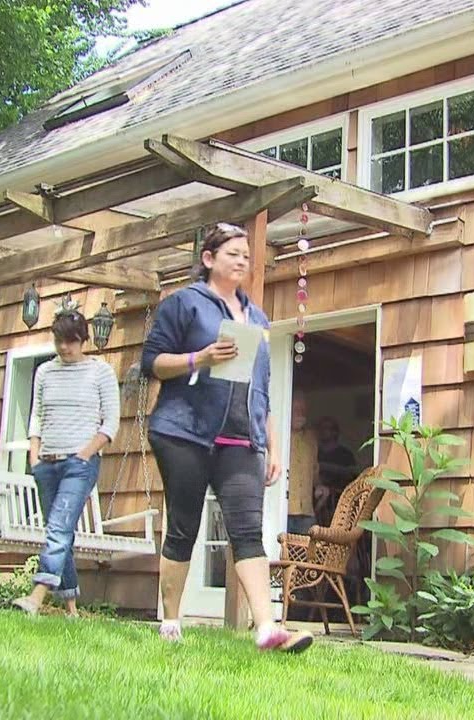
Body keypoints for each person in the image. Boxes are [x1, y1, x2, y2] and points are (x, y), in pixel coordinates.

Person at [140, 222, 313, 653]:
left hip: (240, 437)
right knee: (184, 527)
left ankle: (267, 628)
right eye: (232, 253)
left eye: (246, 255)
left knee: (247, 531)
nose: (241, 260)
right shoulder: (184, 304)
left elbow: (263, 385)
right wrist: (200, 357)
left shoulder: (257, 318)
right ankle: (172, 620)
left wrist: (271, 443)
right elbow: (152, 363)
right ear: (209, 259)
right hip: (184, 431)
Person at [11, 310, 120, 618]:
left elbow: (111, 423)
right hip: (46, 463)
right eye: (60, 341)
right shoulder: (44, 372)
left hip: (79, 465)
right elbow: (37, 417)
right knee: (61, 532)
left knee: (58, 527)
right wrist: (34, 456)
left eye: (71, 342)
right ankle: (71, 609)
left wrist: (85, 453)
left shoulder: (101, 373)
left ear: (84, 340)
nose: (64, 348)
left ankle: (36, 596)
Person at [313, 415, 359, 524]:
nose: (325, 431)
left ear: (335, 432)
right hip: (315, 500)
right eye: (322, 428)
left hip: (339, 504)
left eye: (328, 428)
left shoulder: (345, 455)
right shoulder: (314, 452)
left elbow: (354, 478)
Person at [286, 395, 319, 535]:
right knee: (281, 555)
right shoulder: (281, 436)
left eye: (303, 410)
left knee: (305, 555)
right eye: (296, 409)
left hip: (306, 512)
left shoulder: (311, 440)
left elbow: (314, 471)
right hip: (283, 511)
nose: (300, 414)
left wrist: (320, 487)